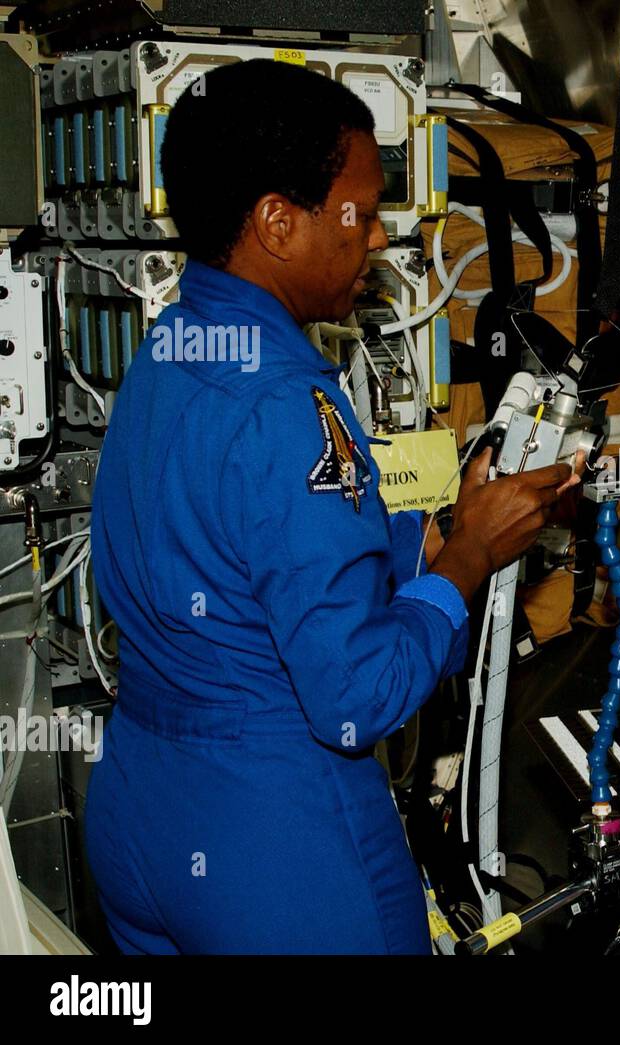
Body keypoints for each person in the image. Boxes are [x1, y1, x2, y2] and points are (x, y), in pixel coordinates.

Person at [85, 59, 578, 954]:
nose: (380, 235)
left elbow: (238, 555)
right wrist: (468, 560)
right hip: (273, 848)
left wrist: (418, 543)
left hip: (140, 810)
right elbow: (355, 695)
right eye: (359, 208)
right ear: (278, 221)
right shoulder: (288, 405)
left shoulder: (170, 349)